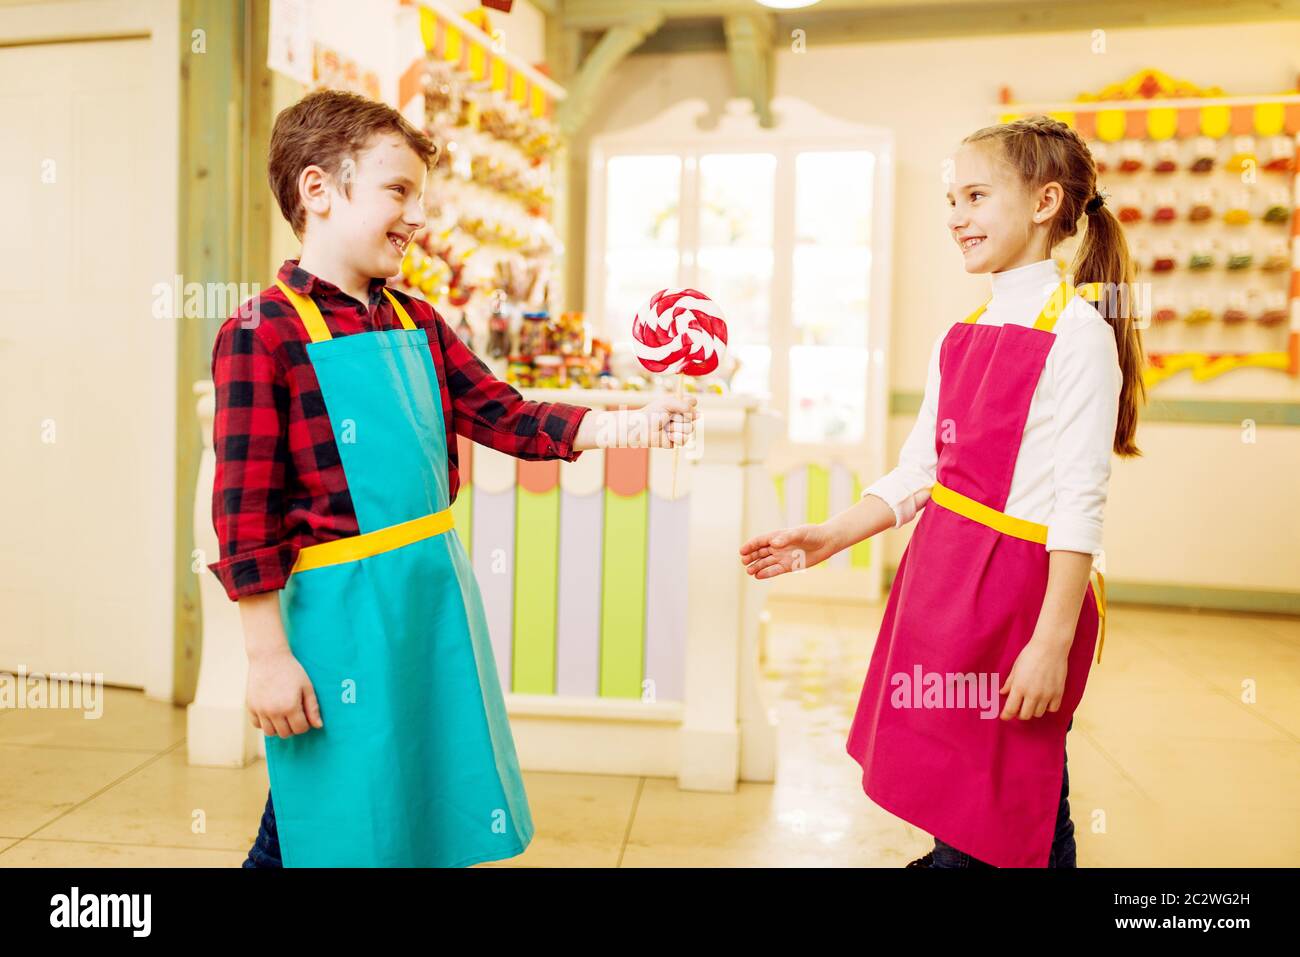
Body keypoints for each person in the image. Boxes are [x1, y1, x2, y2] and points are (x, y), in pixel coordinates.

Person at [210, 89, 696, 867]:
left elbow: (502, 412)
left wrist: (623, 423)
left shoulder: (417, 319)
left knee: (407, 796)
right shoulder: (260, 332)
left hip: (431, 595)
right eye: (397, 191)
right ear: (318, 191)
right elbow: (244, 513)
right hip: (337, 614)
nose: (417, 217)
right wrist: (266, 655)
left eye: (420, 198)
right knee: (328, 813)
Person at [739, 115, 1146, 868]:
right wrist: (831, 533)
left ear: (1044, 201)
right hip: (944, 581)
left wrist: (1051, 642)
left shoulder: (1080, 335)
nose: (956, 215)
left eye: (976, 195)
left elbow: (1079, 504)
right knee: (984, 789)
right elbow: (920, 470)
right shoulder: (965, 327)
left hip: (1020, 598)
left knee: (1002, 796)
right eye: (950, 199)